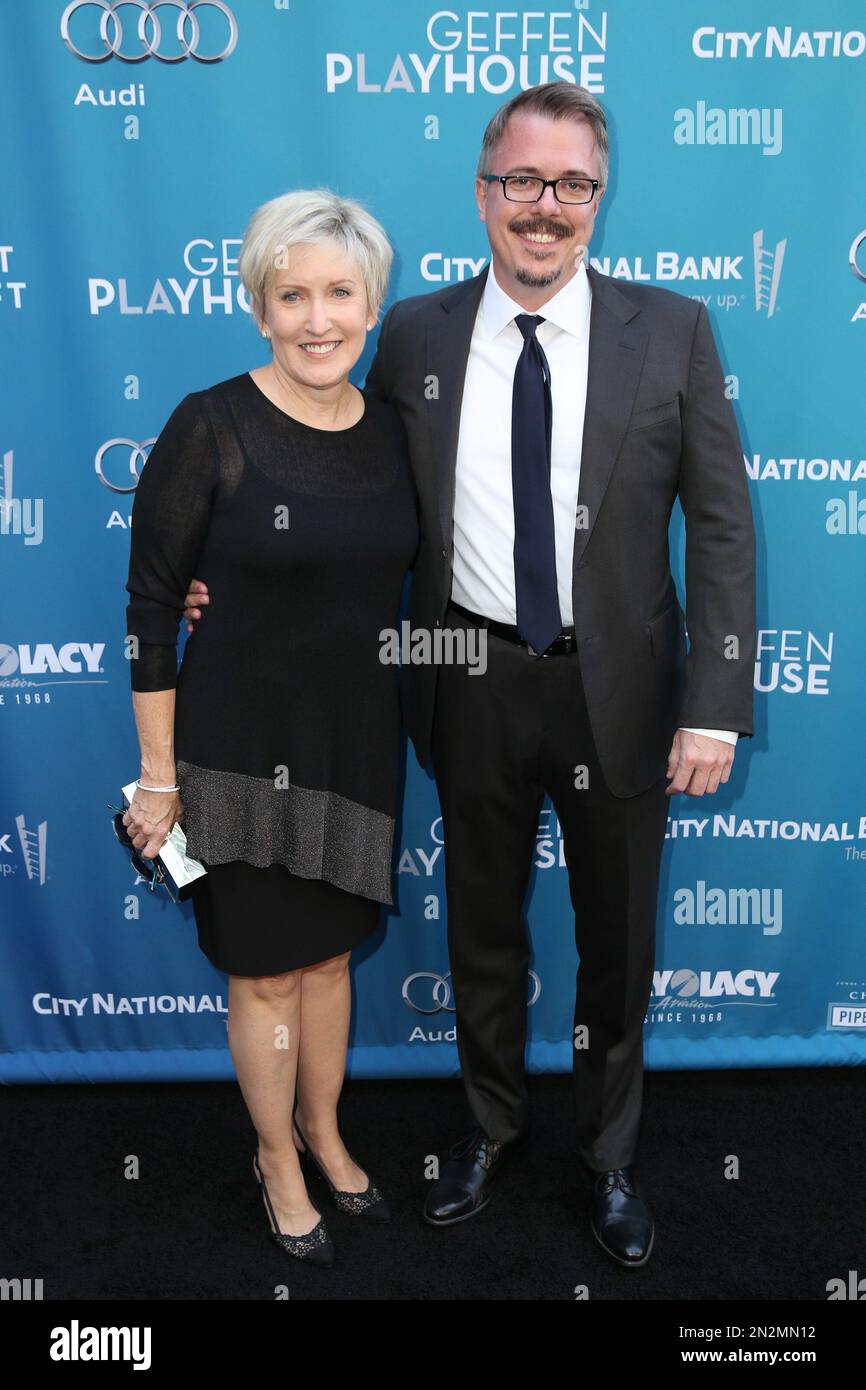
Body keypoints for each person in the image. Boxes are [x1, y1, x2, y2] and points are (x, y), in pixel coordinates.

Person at [183, 82, 756, 1270]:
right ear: (483, 191)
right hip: (463, 673)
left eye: (570, 185)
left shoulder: (675, 330)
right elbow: (329, 480)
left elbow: (721, 530)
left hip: (624, 693)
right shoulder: (415, 337)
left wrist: (713, 702)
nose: (543, 209)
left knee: (616, 945)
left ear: (598, 196)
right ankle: (491, 1130)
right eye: (520, 183)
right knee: (482, 935)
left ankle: (603, 1158)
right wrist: (218, 581)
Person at [123, 188, 419, 1267]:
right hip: (235, 748)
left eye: (338, 292)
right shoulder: (211, 424)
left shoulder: (393, 431)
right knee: (265, 972)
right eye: (290, 294)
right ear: (258, 306)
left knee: (330, 958)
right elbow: (154, 608)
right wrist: (158, 780)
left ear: (373, 302)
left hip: (354, 740)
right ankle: (275, 1159)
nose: (316, 318)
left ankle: (324, 1130)